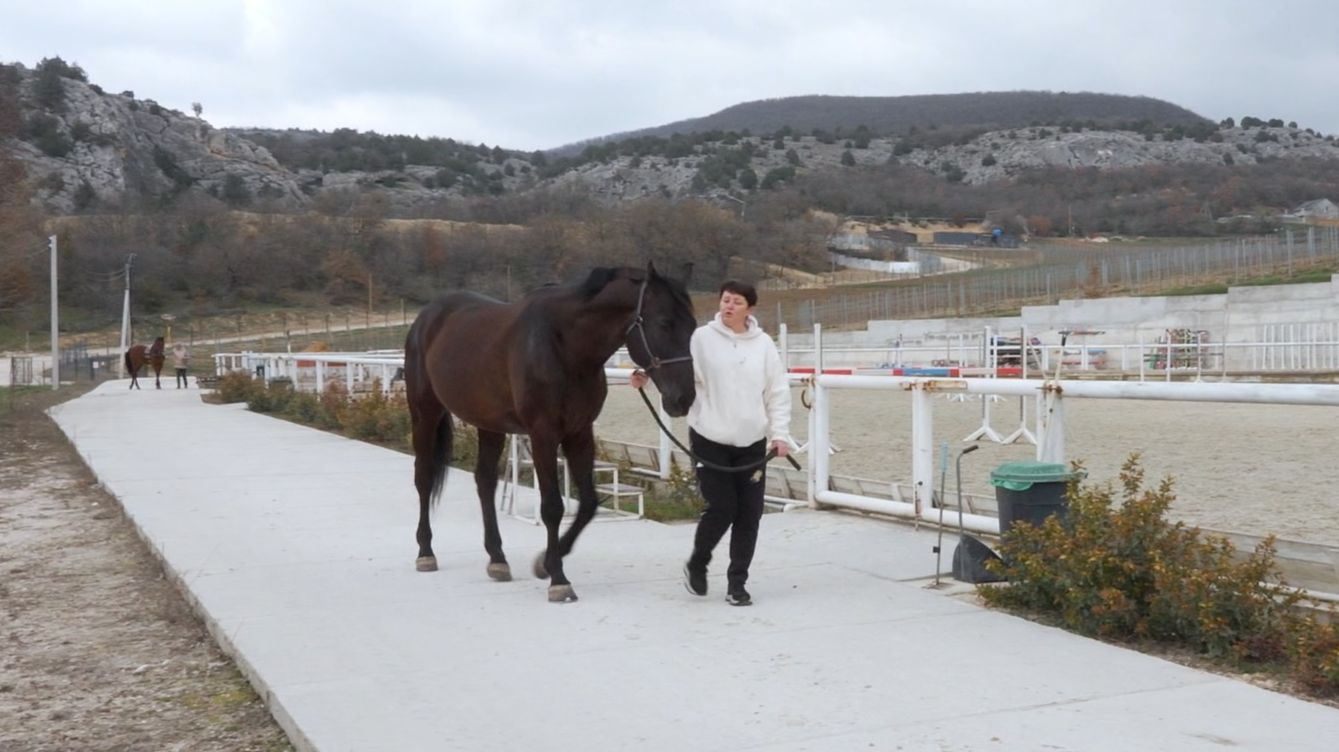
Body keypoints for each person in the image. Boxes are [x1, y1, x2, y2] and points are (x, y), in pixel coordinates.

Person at [631, 280, 794, 606]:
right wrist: (647, 379)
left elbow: (777, 391)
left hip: (751, 443)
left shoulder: (763, 345)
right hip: (709, 438)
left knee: (749, 515)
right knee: (722, 508)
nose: (728, 306)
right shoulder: (700, 339)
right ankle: (698, 563)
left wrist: (780, 434)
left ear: (750, 309)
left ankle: (738, 584)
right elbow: (675, 371)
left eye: (736, 302)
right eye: (725, 300)